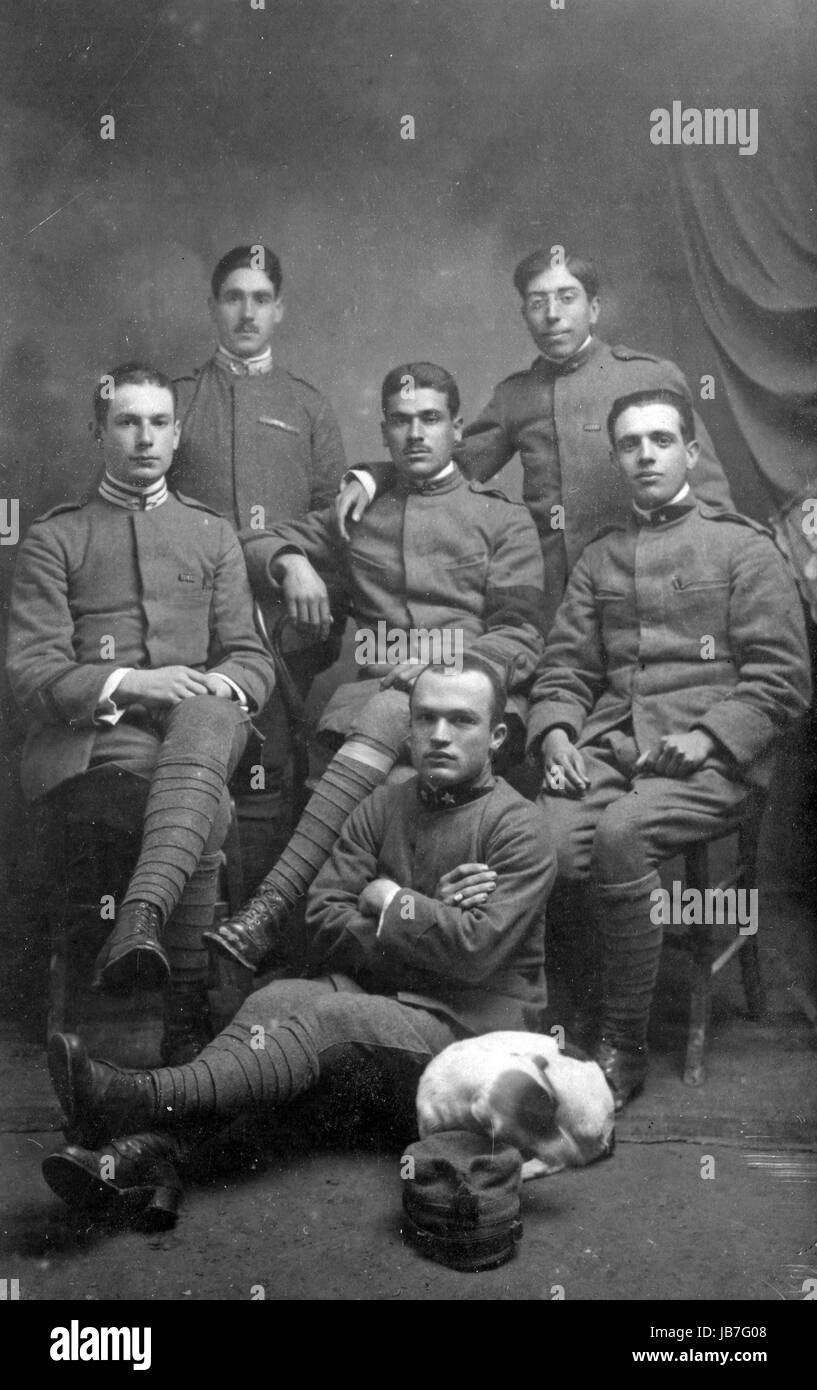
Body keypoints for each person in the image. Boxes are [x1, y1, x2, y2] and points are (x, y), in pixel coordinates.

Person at [42, 658, 556, 1228]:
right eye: (426, 718)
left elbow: (473, 954)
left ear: (497, 736)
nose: (439, 736)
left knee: (324, 1021)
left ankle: (137, 1096)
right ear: (407, 727)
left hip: (476, 1036)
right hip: (383, 1001)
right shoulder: (383, 806)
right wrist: (431, 913)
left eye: (461, 721)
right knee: (273, 1002)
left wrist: (387, 899)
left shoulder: (519, 826)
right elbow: (323, 918)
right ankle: (142, 1156)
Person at [203, 361, 546, 973]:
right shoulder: (363, 512)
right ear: (384, 431)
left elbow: (520, 632)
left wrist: (446, 663)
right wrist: (292, 562)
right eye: (401, 421)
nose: (416, 434)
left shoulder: (502, 518)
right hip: (375, 712)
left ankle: (270, 908)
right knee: (387, 710)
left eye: (431, 420)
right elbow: (244, 543)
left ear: (457, 429)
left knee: (396, 705)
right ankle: (342, 952)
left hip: (475, 707)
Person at [525, 388, 811, 1109]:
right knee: (545, 839)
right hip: (614, 749)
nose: (644, 454)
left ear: (689, 451)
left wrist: (707, 734)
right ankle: (573, 1014)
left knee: (621, 834)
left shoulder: (742, 546)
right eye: (629, 444)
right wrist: (556, 729)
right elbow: (564, 666)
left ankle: (622, 1042)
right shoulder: (601, 556)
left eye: (660, 439)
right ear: (617, 458)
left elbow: (782, 678)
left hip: (717, 760)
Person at [5, 363, 276, 1060]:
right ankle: (185, 1016)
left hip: (191, 730)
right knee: (209, 807)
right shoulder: (57, 538)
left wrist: (208, 691)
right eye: (126, 423)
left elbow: (249, 656)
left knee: (213, 715)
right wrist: (135, 683)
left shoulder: (210, 534)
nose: (144, 439)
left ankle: (140, 928)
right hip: (93, 744)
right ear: (99, 433)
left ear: (177, 434)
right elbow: (33, 675)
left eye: (158, 423)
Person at [336, 250, 734, 634]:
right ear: (524, 315)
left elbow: (708, 492)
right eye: (537, 302)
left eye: (566, 298)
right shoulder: (516, 396)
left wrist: (706, 570)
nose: (553, 314)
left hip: (644, 571)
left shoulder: (650, 377)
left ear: (593, 309)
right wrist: (373, 477)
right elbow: (446, 463)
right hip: (553, 591)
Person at [170, 245, 348, 882]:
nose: (247, 312)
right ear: (214, 307)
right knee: (194, 768)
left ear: (280, 310)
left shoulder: (307, 405)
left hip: (281, 621)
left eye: (261, 299)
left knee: (273, 773)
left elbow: (335, 519)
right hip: (189, 618)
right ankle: (194, 935)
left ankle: (257, 940)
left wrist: (292, 559)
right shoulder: (178, 400)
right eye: (233, 298)